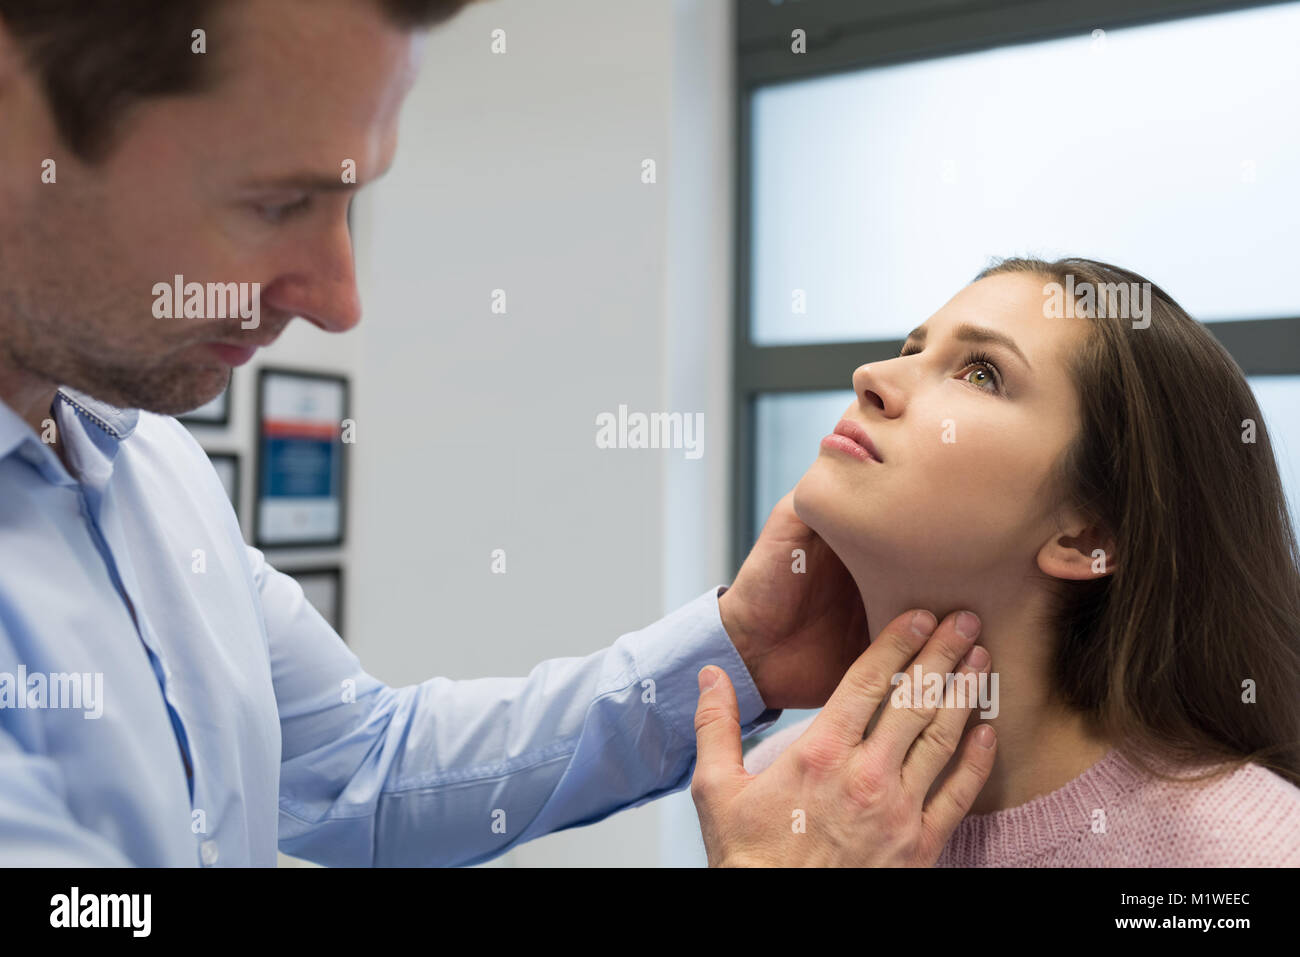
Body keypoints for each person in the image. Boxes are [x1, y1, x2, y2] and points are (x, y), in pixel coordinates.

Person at [0, 0, 997, 867]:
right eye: (276, 202)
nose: (341, 300)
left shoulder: (137, 458)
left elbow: (369, 767)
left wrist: (737, 649)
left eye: (353, 201)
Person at [734, 257, 1300, 866]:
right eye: (910, 348)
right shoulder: (777, 791)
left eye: (980, 374)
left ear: (1088, 537)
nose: (870, 375)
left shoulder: (1251, 850)